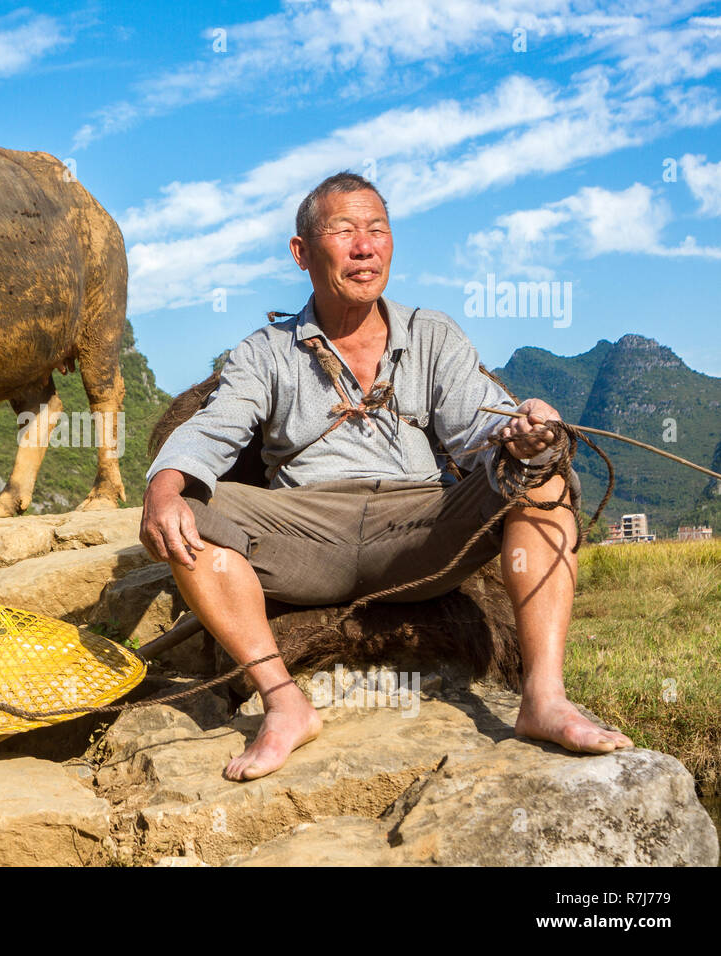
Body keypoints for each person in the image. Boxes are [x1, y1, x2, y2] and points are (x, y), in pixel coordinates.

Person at [139, 171, 634, 782]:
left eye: (377, 229)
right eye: (344, 231)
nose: (365, 246)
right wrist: (164, 489)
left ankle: (544, 699)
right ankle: (285, 703)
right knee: (187, 511)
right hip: (305, 530)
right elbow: (213, 430)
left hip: (420, 523)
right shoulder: (264, 351)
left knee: (541, 475)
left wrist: (520, 434)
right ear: (301, 253)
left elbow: (476, 425)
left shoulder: (433, 334)